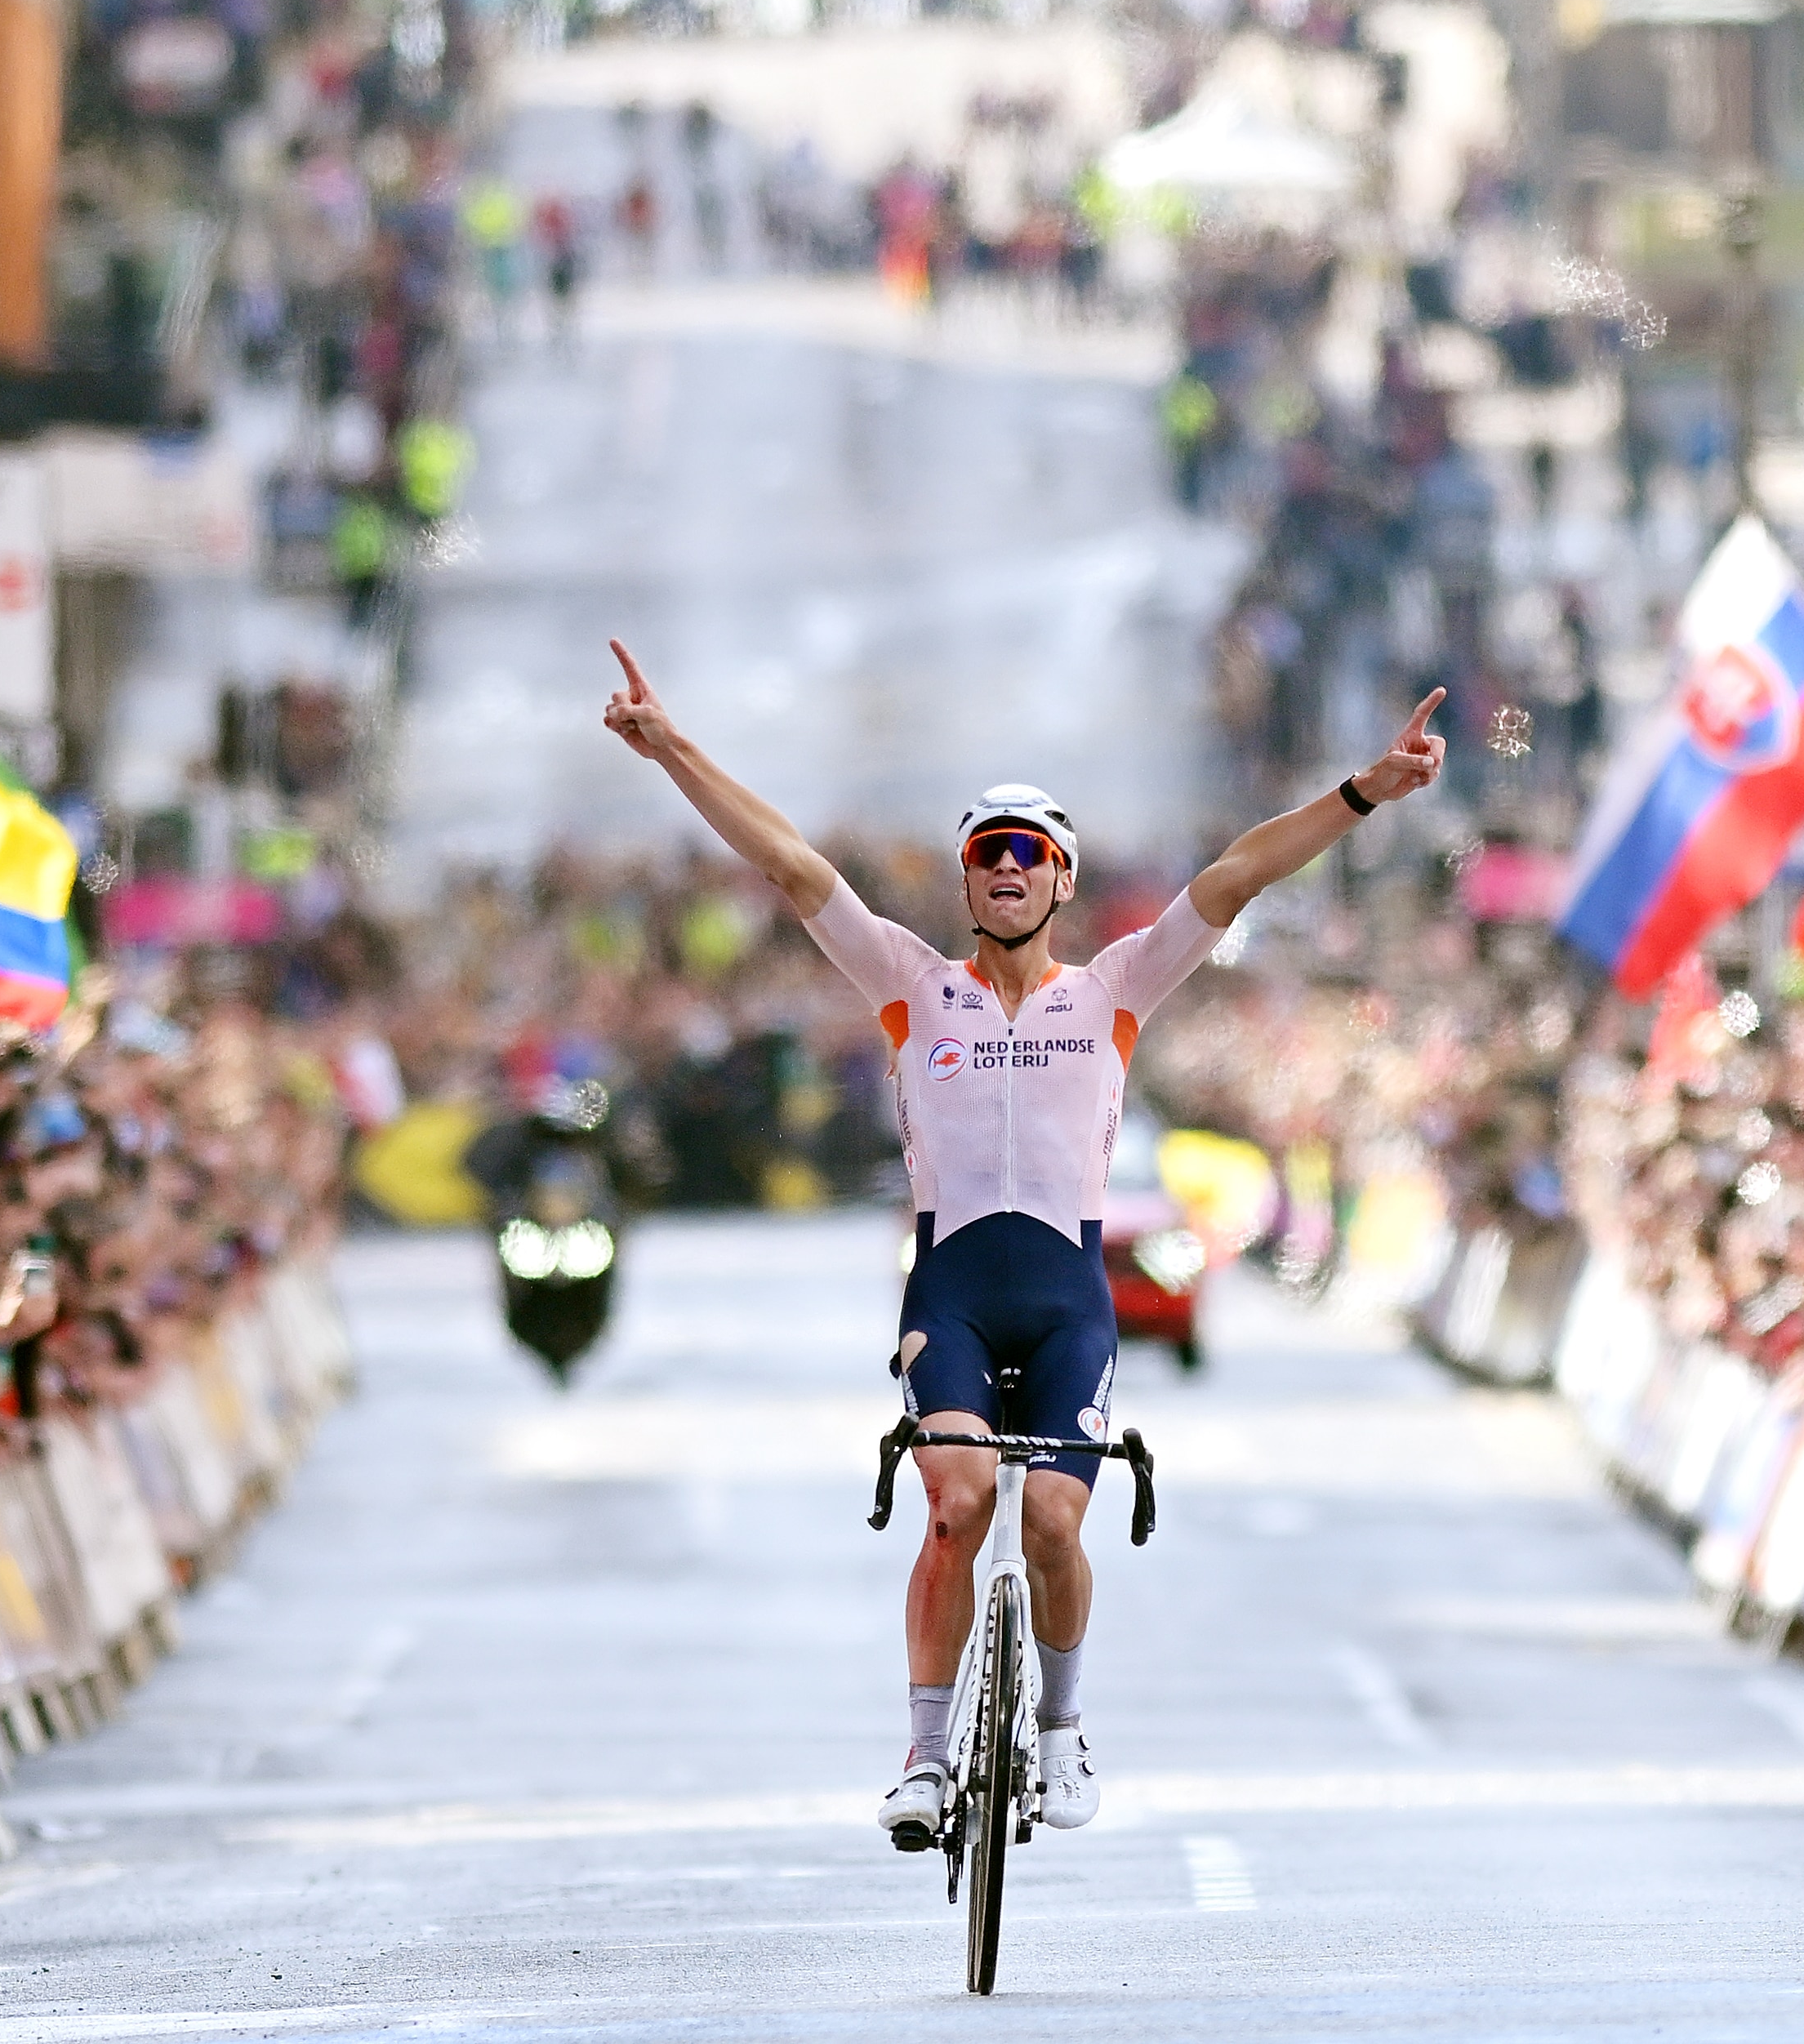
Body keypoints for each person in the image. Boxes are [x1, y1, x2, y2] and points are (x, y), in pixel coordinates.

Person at [599, 638, 1446, 1846]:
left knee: (1050, 1518)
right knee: (956, 1501)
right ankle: (927, 1755)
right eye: (987, 854)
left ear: (1060, 880)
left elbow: (1238, 872)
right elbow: (791, 867)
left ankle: (1060, 1731)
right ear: (966, 881)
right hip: (950, 1290)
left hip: (1065, 1297)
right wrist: (671, 743)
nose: (1005, 869)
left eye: (1029, 854)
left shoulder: (1112, 991)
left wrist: (1368, 789)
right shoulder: (908, 982)